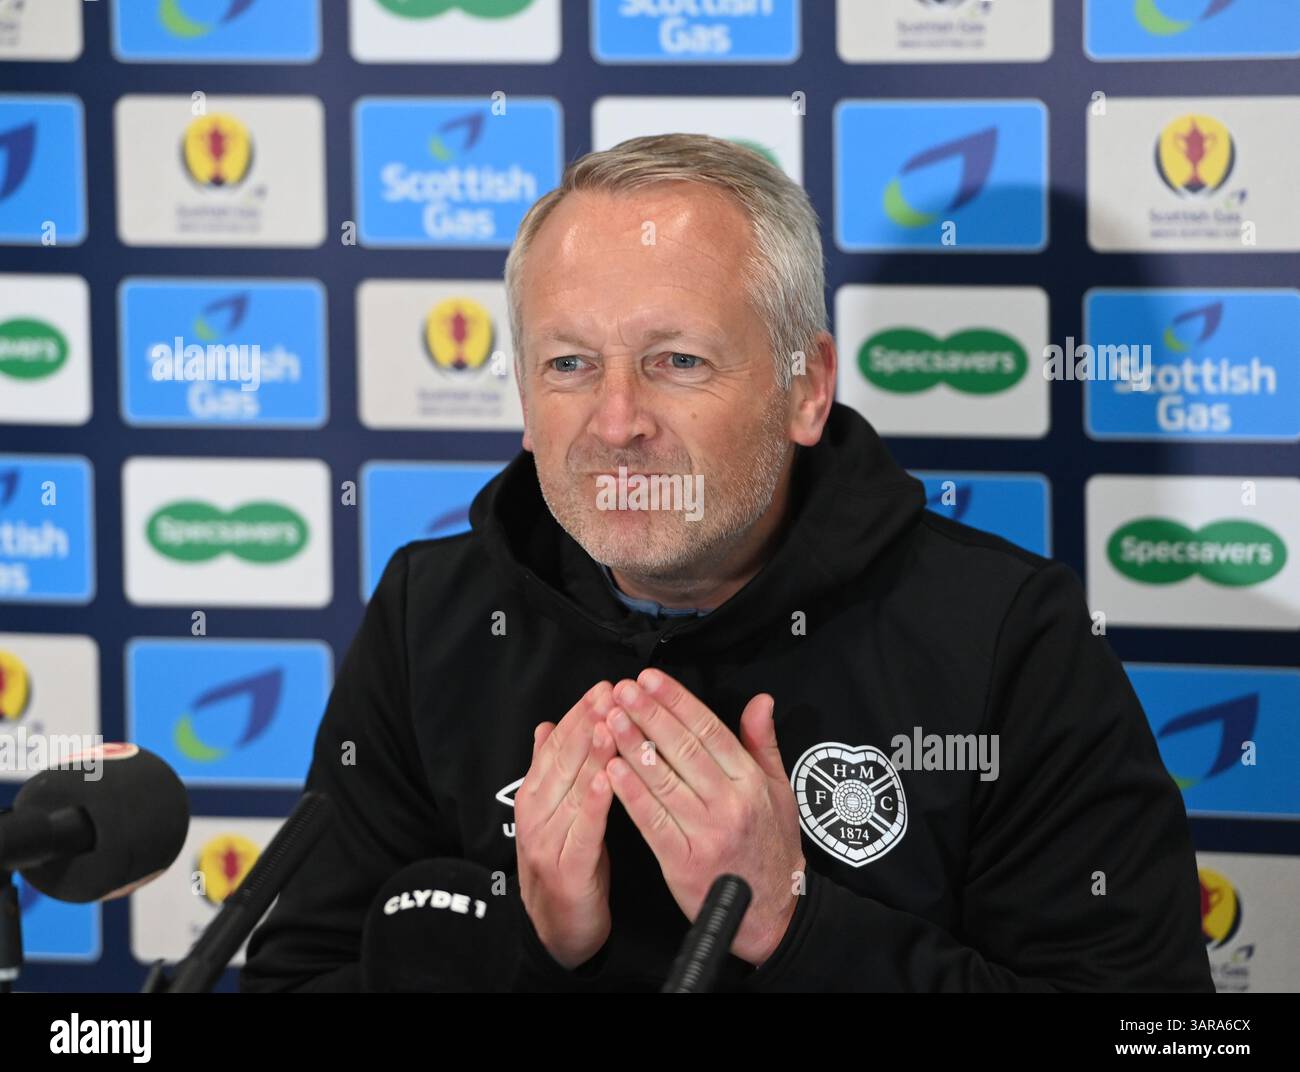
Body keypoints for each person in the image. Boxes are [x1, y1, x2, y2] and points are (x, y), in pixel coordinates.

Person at [240, 133, 1213, 992]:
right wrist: (526, 949)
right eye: (568, 364)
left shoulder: (1007, 635)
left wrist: (794, 924)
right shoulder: (430, 616)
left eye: (679, 361)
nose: (616, 424)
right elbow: (294, 977)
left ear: (807, 387)